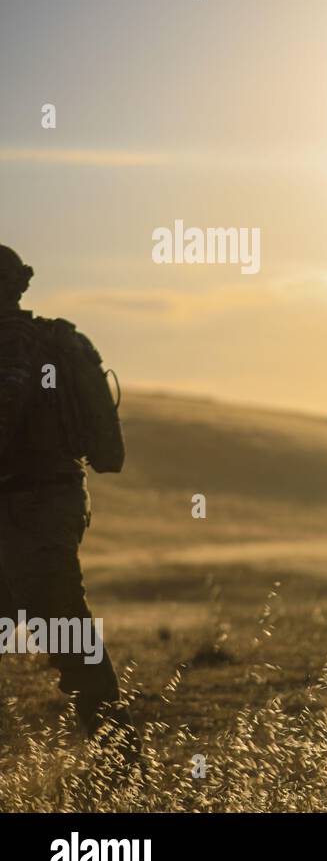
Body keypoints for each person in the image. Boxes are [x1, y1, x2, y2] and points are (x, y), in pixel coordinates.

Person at [0, 243, 141, 770]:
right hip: (46, 502)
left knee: (65, 632)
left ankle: (121, 767)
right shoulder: (48, 339)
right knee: (62, 630)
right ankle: (118, 762)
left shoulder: (11, 346)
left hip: (26, 508)